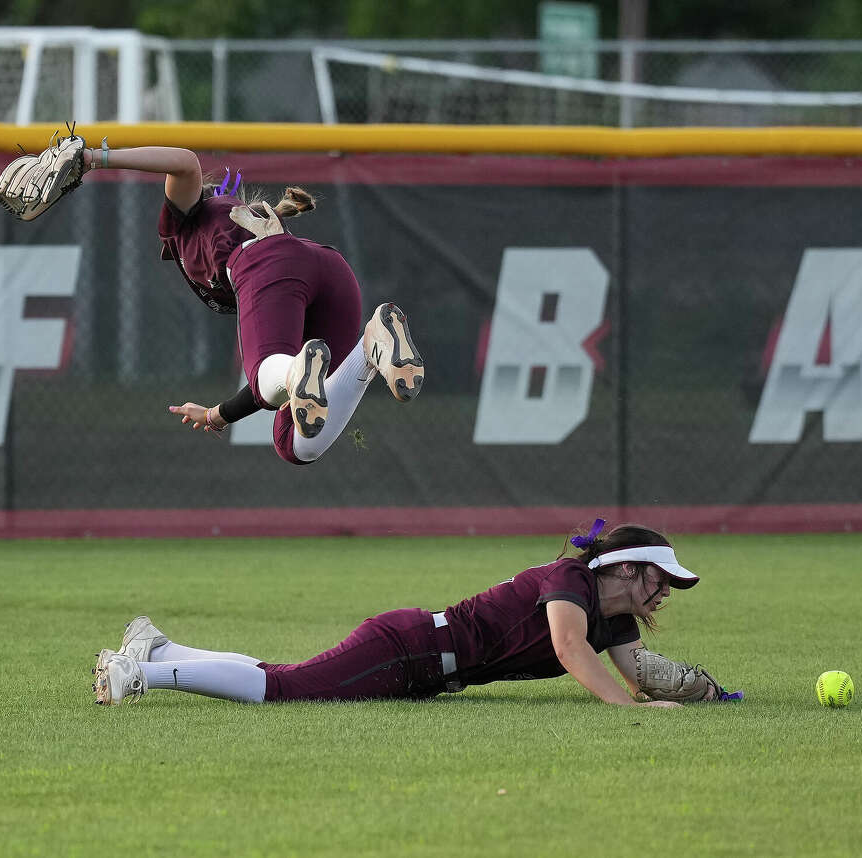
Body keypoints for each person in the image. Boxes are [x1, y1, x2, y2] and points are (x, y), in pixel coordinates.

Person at [92, 522, 717, 709]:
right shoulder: (570, 580)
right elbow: (568, 649)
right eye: (664, 579)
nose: (670, 591)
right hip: (409, 646)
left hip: (423, 665)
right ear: (628, 569)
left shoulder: (614, 620)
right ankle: (142, 674)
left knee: (286, 674)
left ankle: (160, 651)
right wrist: (630, 709)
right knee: (283, 688)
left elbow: (634, 671)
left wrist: (694, 692)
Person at [78, 140, 425, 465]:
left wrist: (95, 158)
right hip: (330, 270)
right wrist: (217, 414)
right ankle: (371, 346)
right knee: (295, 442)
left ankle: (298, 372)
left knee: (271, 379)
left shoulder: (186, 221)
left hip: (270, 266)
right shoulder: (231, 222)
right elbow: (261, 394)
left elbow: (184, 162)